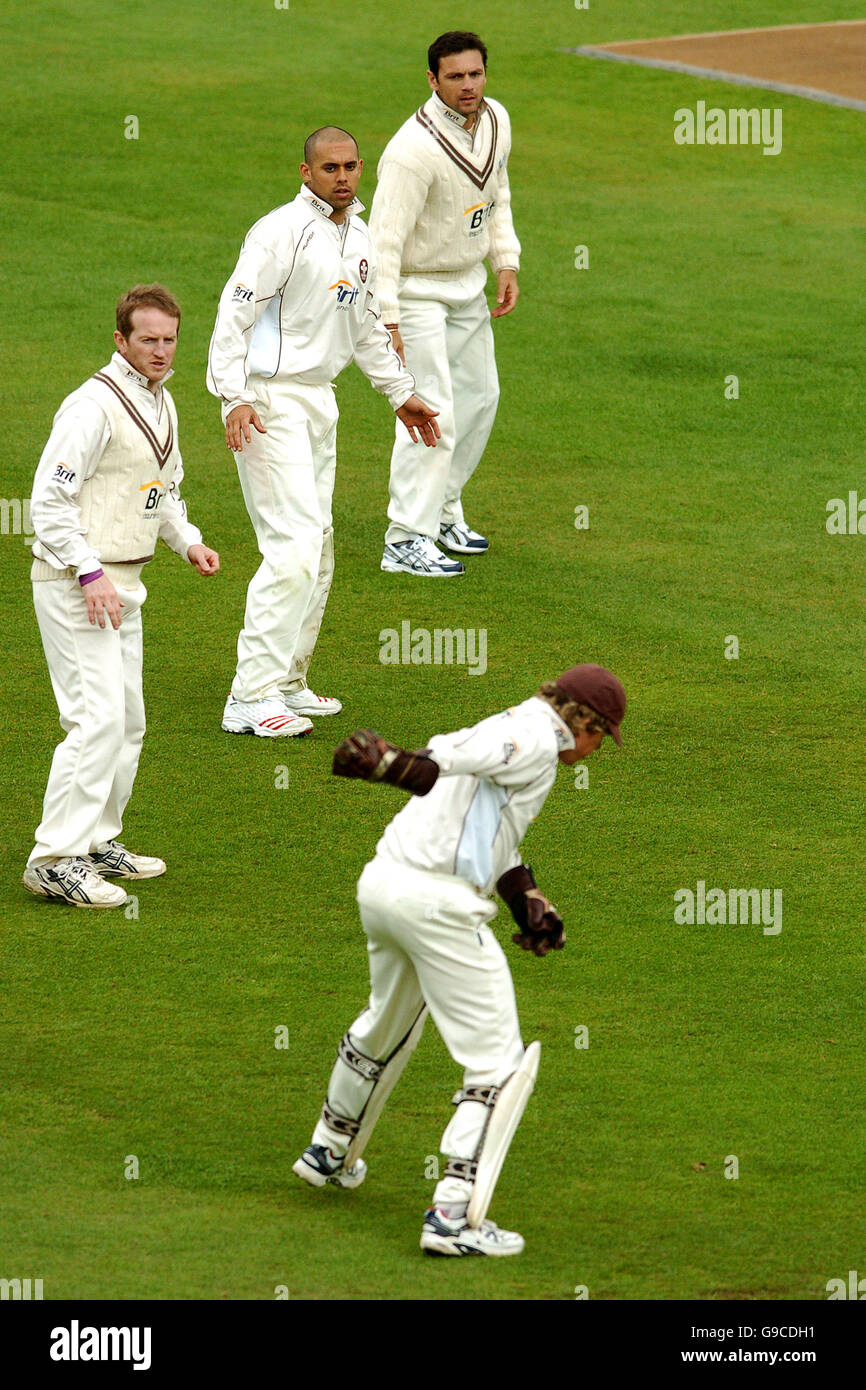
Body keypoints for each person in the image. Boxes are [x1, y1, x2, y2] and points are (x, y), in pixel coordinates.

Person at [292, 664, 627, 1256]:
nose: (598, 750)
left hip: (385, 886)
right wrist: (391, 765)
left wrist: (527, 902)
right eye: (603, 737)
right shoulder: (530, 740)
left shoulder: (514, 725)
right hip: (437, 907)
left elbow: (483, 825)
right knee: (498, 1066)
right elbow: (438, 763)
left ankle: (329, 1150)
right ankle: (452, 1218)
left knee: (386, 1025)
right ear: (586, 723)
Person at [207, 128, 440, 738]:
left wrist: (401, 393)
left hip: (318, 402)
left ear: (362, 169)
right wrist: (233, 396)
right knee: (293, 548)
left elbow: (365, 328)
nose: (341, 176)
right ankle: (249, 696)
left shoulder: (357, 237)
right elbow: (234, 314)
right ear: (305, 171)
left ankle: (287, 679)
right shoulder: (280, 231)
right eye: (328, 167)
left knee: (321, 546)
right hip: (268, 401)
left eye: (350, 166)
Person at [24, 285, 220, 909]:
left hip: (124, 584)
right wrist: (88, 572)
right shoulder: (90, 408)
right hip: (78, 584)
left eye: (169, 340)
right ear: (121, 340)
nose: (161, 352)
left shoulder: (163, 404)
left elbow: (161, 488)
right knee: (95, 721)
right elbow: (48, 504)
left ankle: (97, 840)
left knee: (128, 722)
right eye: (148, 340)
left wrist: (186, 540)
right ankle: (55, 859)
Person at [369, 30, 521, 578]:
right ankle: (405, 538)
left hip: (467, 284)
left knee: (482, 398)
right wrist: (387, 319)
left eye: (475, 74)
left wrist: (505, 259)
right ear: (432, 80)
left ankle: (443, 510)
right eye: (454, 76)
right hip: (415, 291)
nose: (468, 86)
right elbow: (382, 242)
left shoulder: (497, 120)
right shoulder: (411, 152)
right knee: (432, 414)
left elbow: (496, 194)